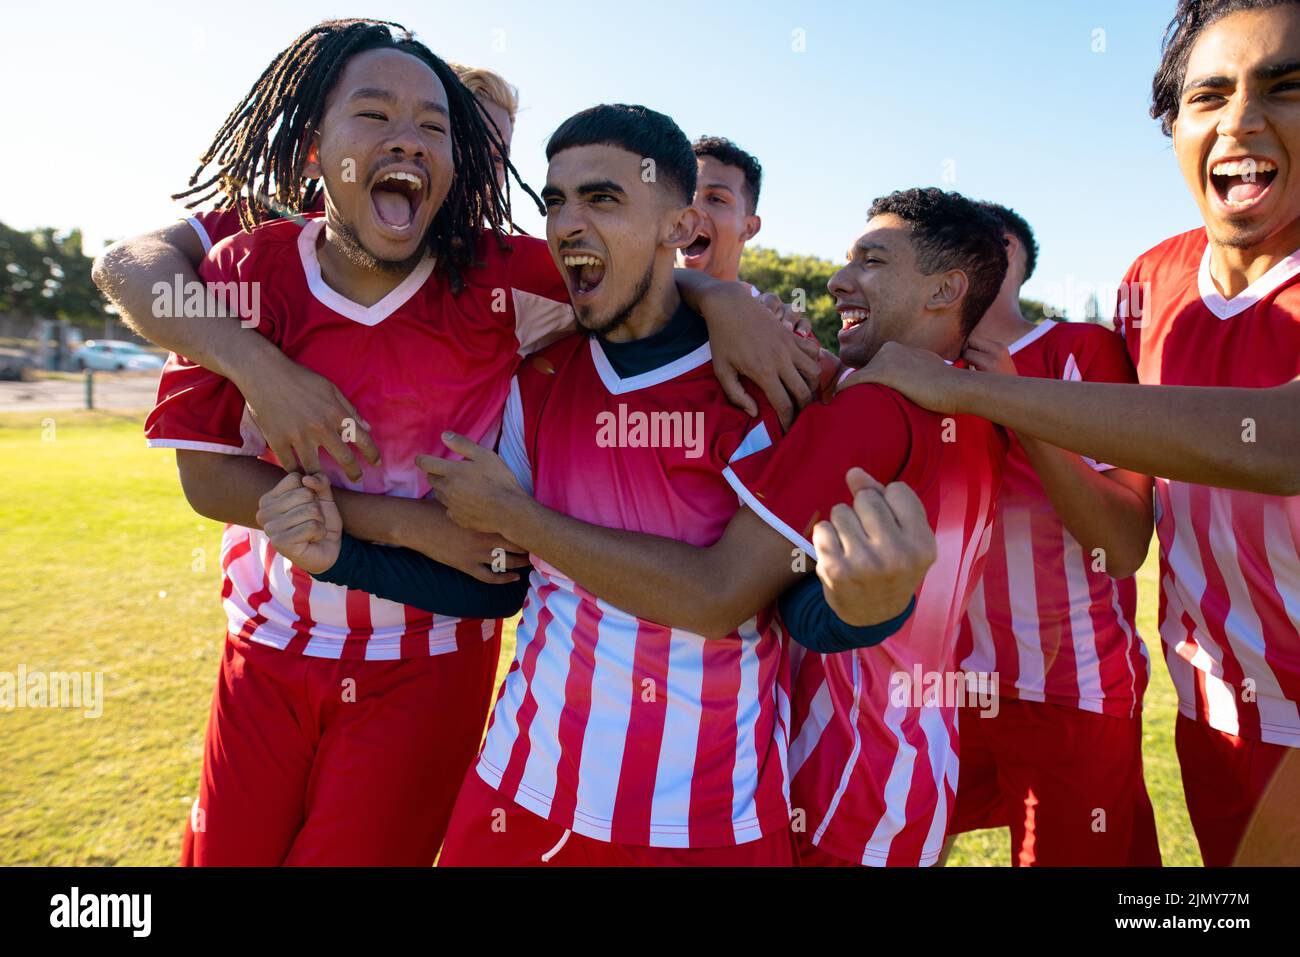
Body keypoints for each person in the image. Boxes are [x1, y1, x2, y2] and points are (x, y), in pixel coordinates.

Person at [257, 104, 937, 866]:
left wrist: (865, 608)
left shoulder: (767, 382)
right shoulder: (539, 379)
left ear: (678, 228)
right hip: (518, 793)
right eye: (555, 201)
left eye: (602, 198)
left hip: (708, 822)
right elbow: (498, 579)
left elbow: (755, 600)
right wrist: (338, 555)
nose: (567, 224)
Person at [410, 187, 1009, 866]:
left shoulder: (864, 411)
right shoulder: (985, 419)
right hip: (922, 766)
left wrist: (514, 517)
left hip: (837, 768)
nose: (839, 280)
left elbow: (727, 592)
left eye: (871, 260)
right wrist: (722, 297)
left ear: (945, 290)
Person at [853, 0, 1300, 865]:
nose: (1240, 119)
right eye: (1208, 96)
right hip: (1212, 700)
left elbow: (1280, 441)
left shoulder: (1054, 353)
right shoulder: (1150, 281)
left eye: (1285, 87)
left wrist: (984, 392)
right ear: (1173, 125)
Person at [943, 202, 1160, 866]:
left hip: (1068, 687)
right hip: (942, 685)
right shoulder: (911, 370)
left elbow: (1121, 545)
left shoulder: (1082, 348)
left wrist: (1014, 405)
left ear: (1002, 252)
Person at [680, 136, 762, 283]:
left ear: (749, 228)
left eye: (715, 199)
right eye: (685, 194)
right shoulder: (632, 298)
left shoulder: (760, 306)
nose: (692, 209)